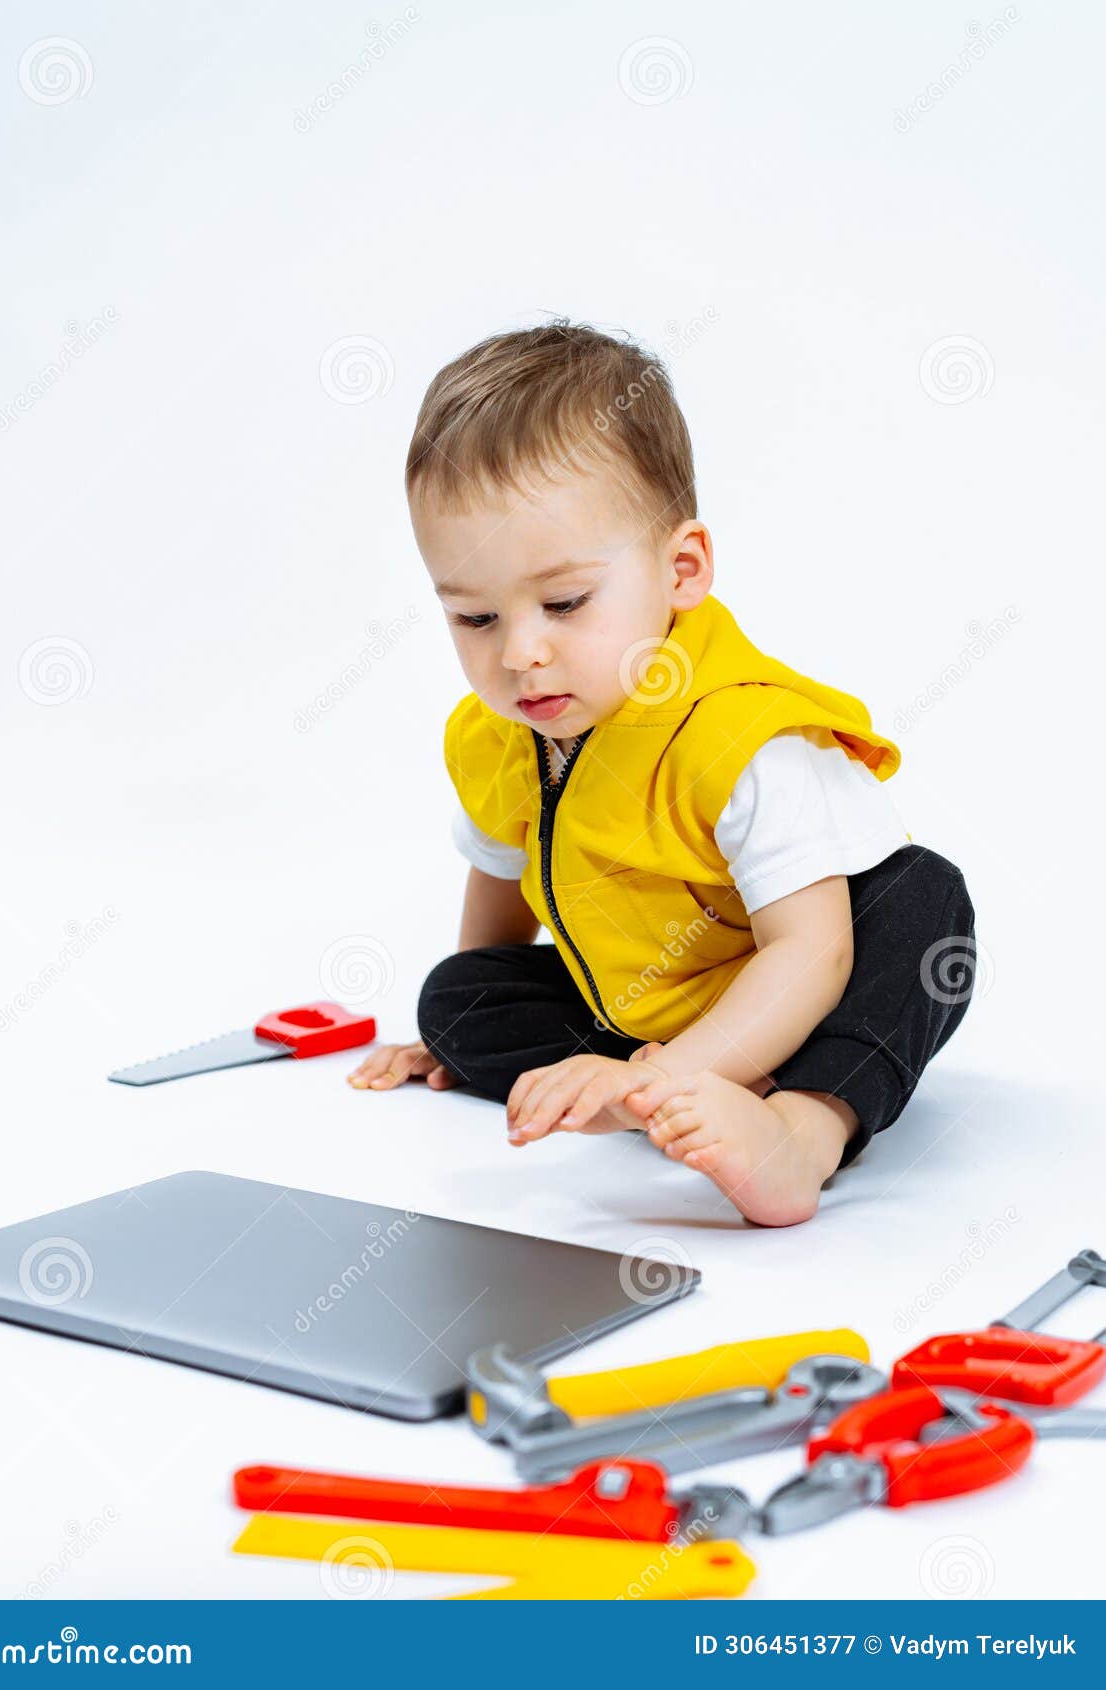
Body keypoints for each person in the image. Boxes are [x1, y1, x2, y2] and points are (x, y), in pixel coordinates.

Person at [346, 320, 977, 1226]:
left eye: (565, 603)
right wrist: (449, 1033)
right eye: (475, 619)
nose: (522, 654)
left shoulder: (738, 736)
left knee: (924, 911)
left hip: (797, 988)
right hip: (643, 1013)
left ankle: (802, 1127)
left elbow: (813, 950)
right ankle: (661, 1101)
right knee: (459, 997)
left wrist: (670, 1068)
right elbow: (500, 888)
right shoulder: (498, 735)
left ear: (680, 570)